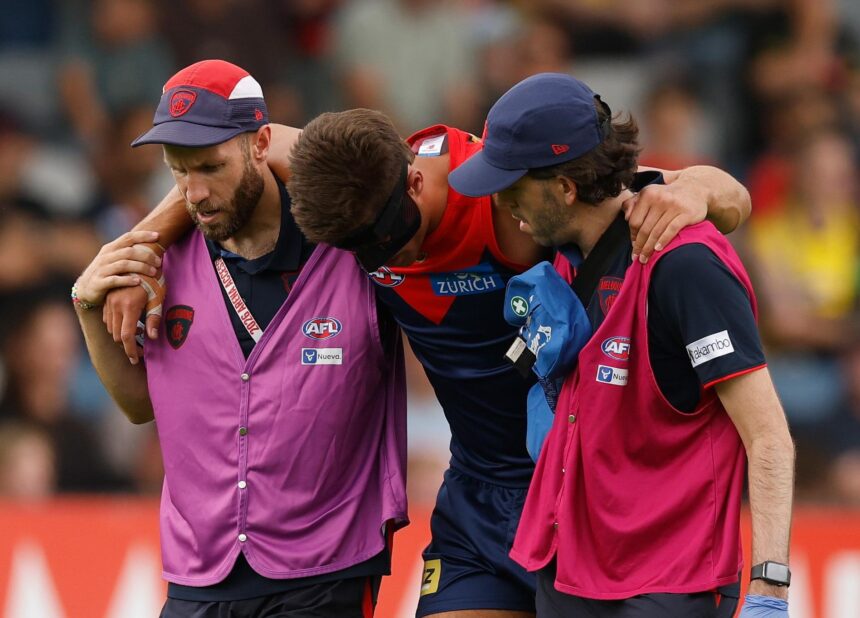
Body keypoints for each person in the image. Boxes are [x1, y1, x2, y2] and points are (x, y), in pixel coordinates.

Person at [103, 86, 752, 618]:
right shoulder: (350, 176)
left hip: (575, 496)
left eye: (394, 244)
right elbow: (229, 152)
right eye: (366, 254)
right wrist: (144, 245)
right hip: (476, 493)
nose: (390, 264)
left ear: (415, 186)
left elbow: (715, 196)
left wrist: (695, 191)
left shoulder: (499, 198)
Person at [448, 72, 794, 617]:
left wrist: (769, 587)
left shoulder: (685, 265)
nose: (502, 204)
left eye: (513, 186)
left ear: (565, 187)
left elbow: (769, 435)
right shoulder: (570, 245)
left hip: (666, 585)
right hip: (566, 575)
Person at [73, 60, 407, 617]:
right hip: (200, 572)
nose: (195, 192)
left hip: (325, 572)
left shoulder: (349, 246)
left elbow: (384, 173)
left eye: (210, 166)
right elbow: (139, 407)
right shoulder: (159, 262)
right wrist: (88, 306)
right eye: (177, 172)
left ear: (262, 145)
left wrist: (149, 232)